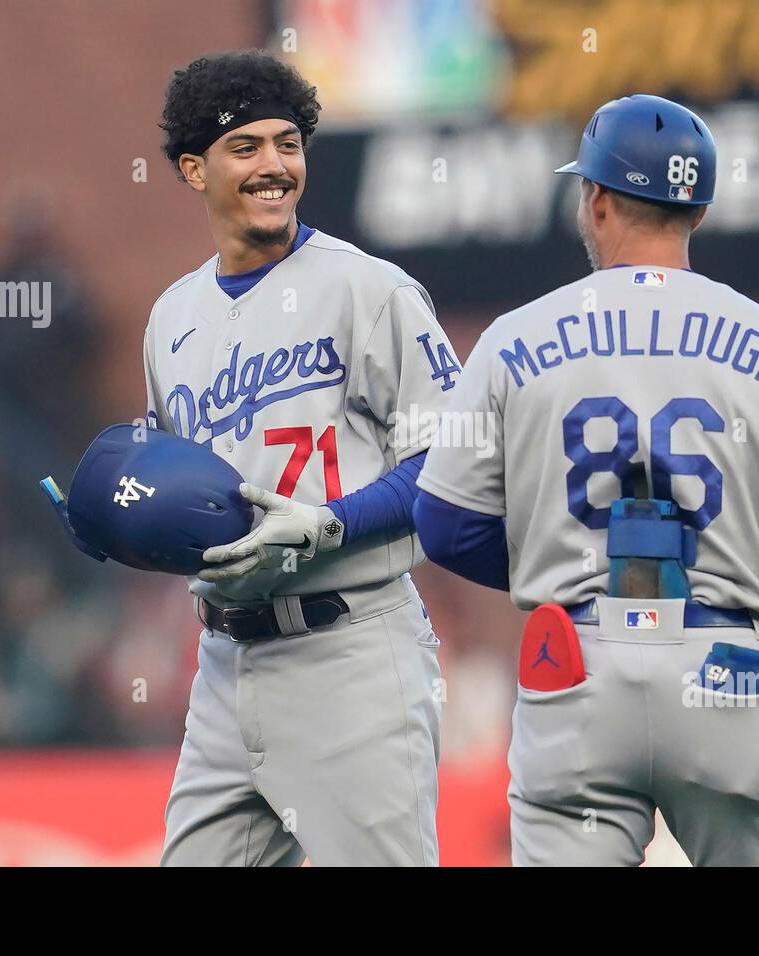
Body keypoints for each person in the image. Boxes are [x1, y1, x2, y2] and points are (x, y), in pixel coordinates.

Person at [414, 95, 759, 866]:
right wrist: (754, 605)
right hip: (724, 663)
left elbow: (444, 523)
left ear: (597, 200)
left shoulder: (512, 339)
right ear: (696, 208)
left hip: (576, 670)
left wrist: (549, 563)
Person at [146, 51, 460, 866]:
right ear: (193, 169)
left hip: (349, 651)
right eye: (244, 146)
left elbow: (457, 459)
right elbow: (183, 492)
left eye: (288, 143)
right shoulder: (172, 317)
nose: (274, 166)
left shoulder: (368, 288)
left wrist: (328, 522)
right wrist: (119, 521)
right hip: (225, 663)